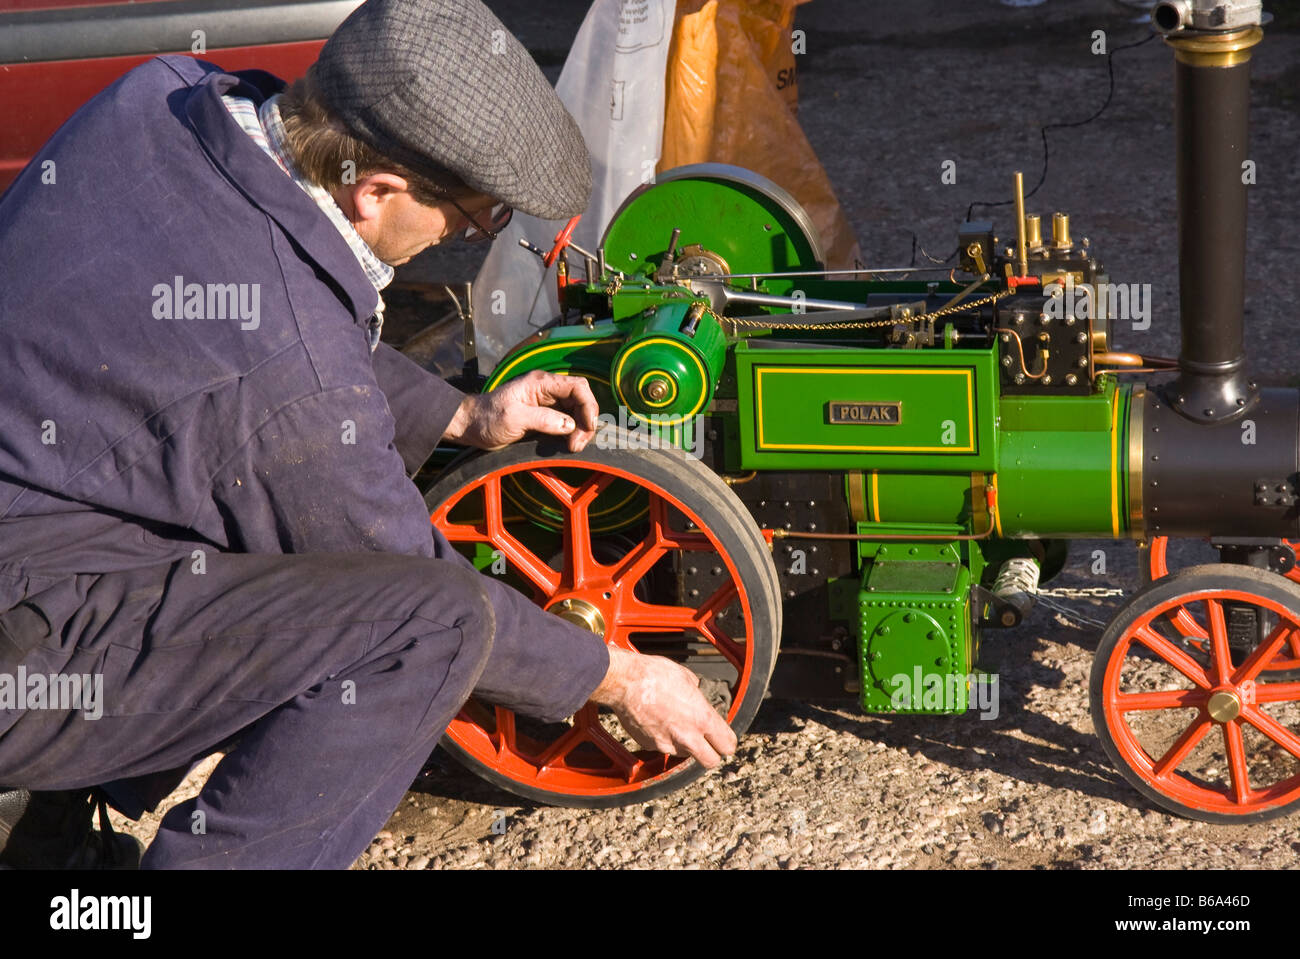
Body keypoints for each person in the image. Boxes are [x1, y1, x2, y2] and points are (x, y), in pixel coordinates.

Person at [0, 0, 736, 869]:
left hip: (46, 516)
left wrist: (462, 414)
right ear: (375, 189)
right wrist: (616, 673)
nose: (469, 234)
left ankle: (36, 827)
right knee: (433, 622)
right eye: (475, 214)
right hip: (28, 646)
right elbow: (374, 525)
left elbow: (250, 337)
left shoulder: (162, 99)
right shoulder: (283, 370)